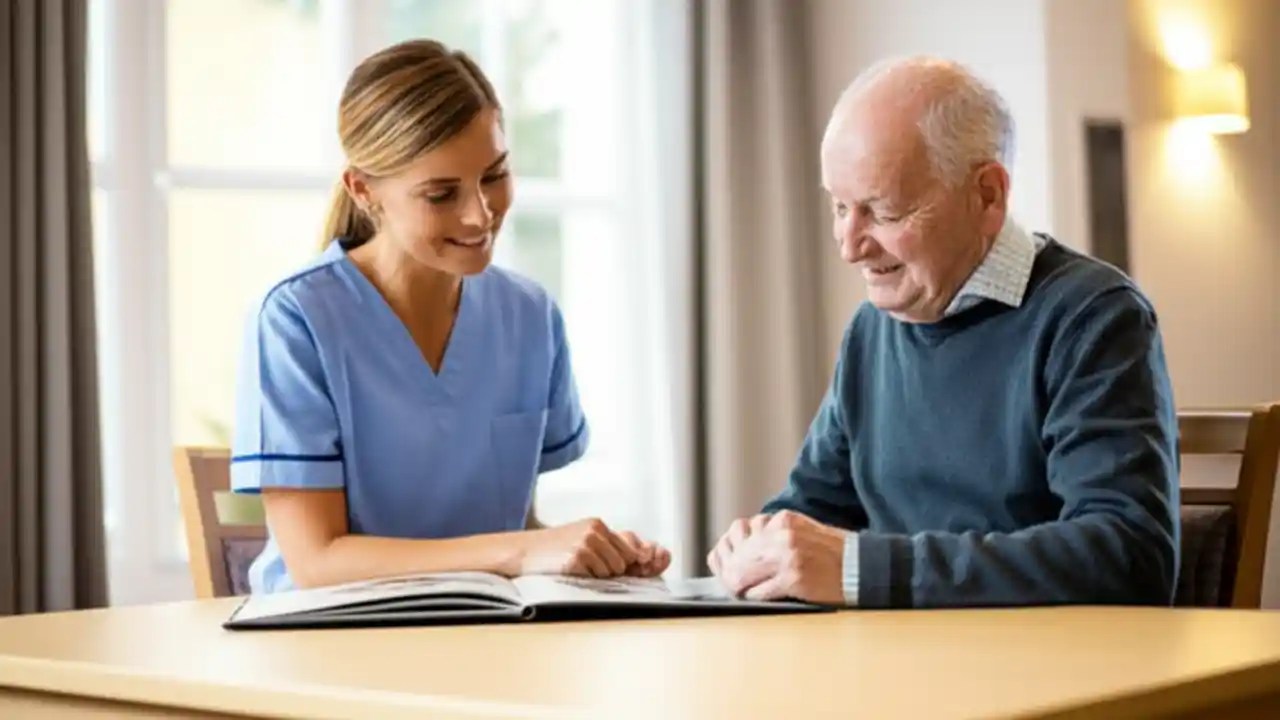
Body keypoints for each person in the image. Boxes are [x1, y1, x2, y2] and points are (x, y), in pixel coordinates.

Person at [708, 57, 1179, 608]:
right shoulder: (871, 330)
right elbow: (814, 511)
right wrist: (759, 547)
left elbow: (1128, 554)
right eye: (839, 207)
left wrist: (866, 569)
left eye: (880, 211)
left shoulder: (1092, 316)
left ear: (987, 196)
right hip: (897, 668)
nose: (848, 244)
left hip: (1045, 676)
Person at [231, 39, 669, 593]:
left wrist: (587, 556)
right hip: (330, 648)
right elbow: (316, 563)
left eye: (495, 175)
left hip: (483, 640)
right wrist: (526, 549)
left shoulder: (530, 317)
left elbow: (512, 532)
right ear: (364, 190)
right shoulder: (296, 320)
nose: (480, 213)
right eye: (441, 194)